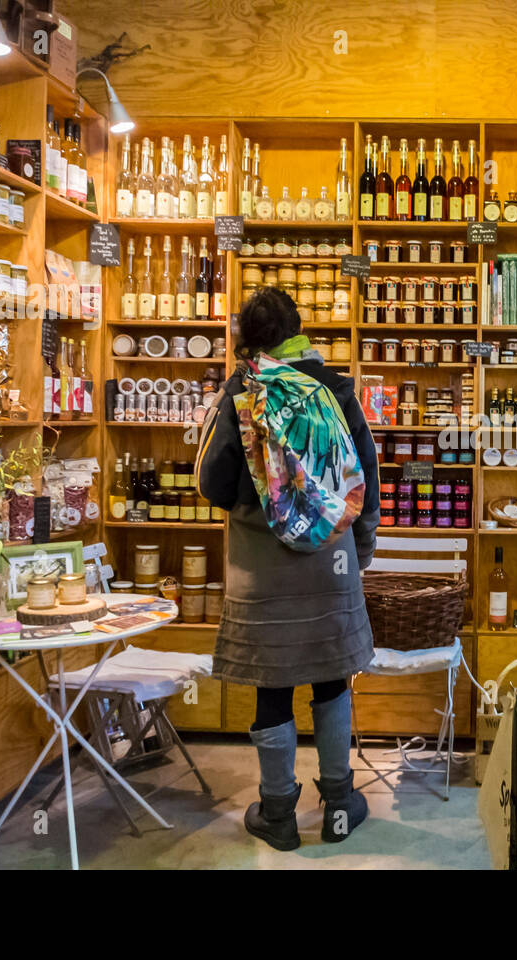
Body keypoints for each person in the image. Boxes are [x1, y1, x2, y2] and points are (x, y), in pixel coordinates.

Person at [198, 286, 379, 851]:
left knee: (271, 686)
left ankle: (277, 813)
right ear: (300, 331)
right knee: (331, 679)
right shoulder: (338, 391)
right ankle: (340, 804)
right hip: (331, 568)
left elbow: (211, 482)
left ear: (246, 342)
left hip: (262, 577)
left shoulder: (240, 395)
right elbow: (366, 483)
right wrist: (361, 552)